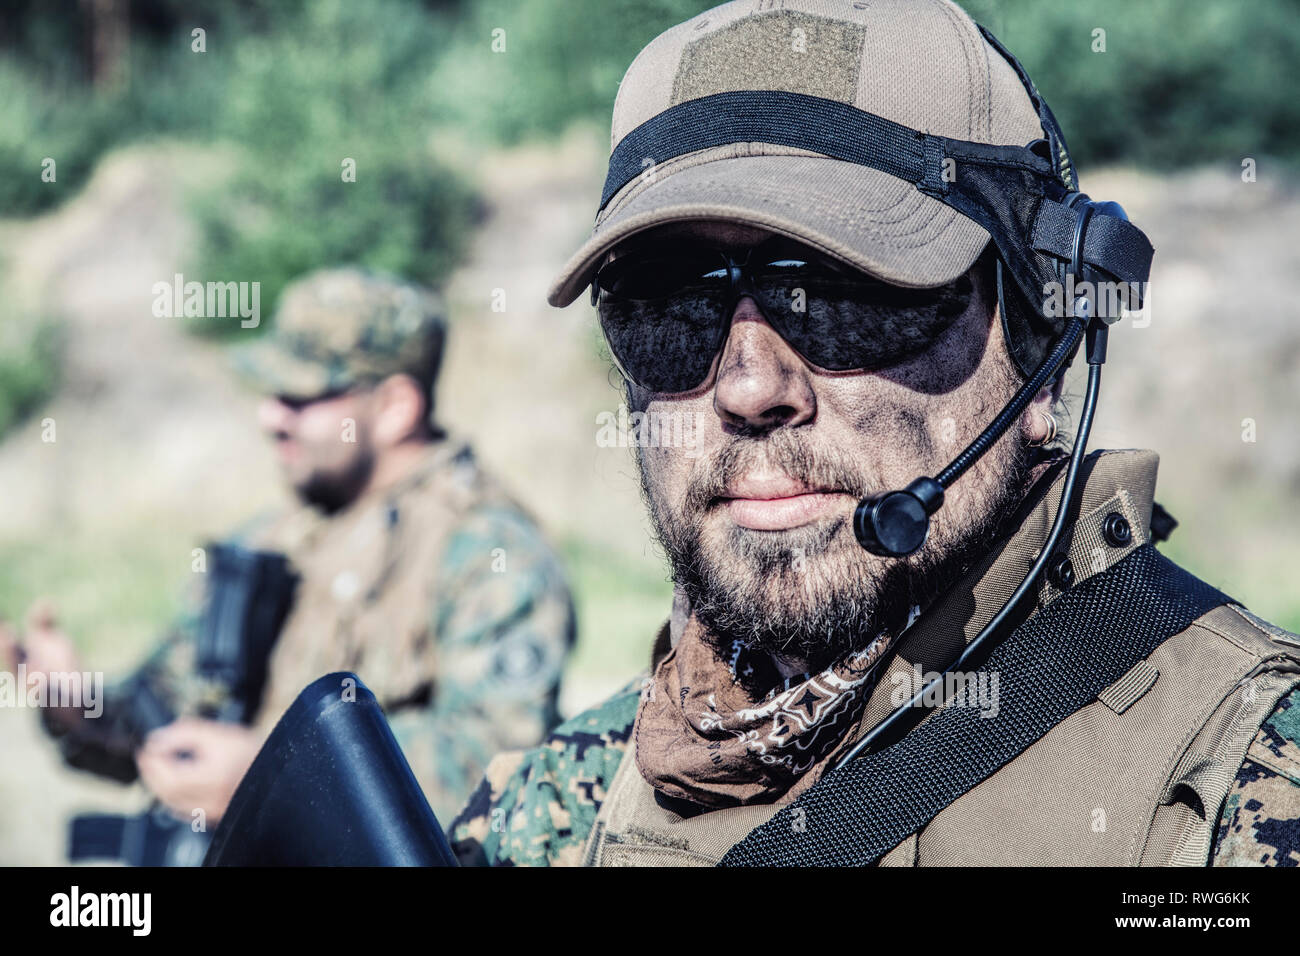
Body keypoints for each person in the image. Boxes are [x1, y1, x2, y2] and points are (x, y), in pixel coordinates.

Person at [447, 0, 1300, 867]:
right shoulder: (552, 804)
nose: (748, 387)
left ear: (1044, 334)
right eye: (671, 300)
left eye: (844, 294)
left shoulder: (1242, 789)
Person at [3, 267, 576, 859]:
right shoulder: (274, 538)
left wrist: (275, 775)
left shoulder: (490, 551)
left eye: (299, 398)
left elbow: (502, 767)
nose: (269, 418)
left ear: (394, 407)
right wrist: (76, 704)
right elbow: (171, 711)